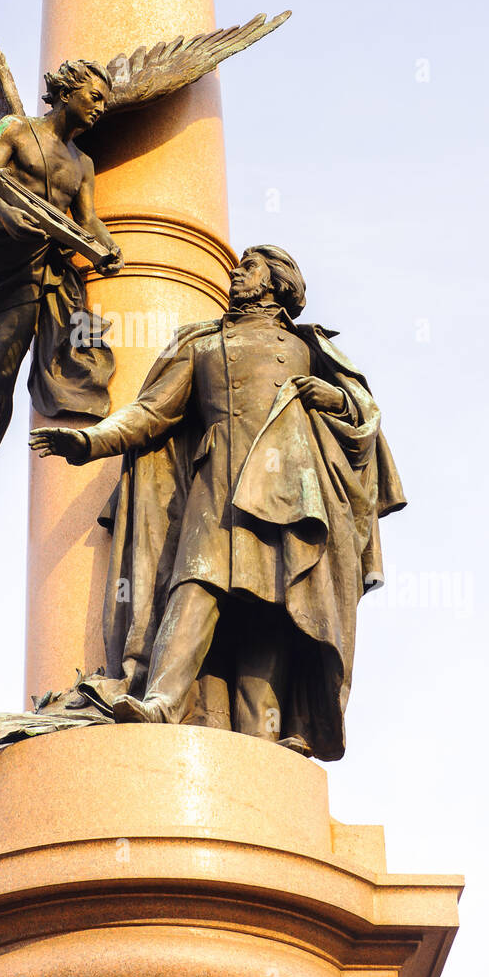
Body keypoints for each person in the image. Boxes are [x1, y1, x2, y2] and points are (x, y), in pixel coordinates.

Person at [29, 245, 406, 761]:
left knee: (276, 607)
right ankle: (162, 700)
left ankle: (265, 738)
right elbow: (152, 412)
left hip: (294, 488)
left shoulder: (309, 345)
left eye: (249, 268)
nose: (235, 273)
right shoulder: (202, 342)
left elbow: (365, 414)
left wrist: (333, 397)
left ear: (277, 283)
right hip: (218, 484)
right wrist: (91, 441)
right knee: (196, 581)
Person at [0, 59, 123, 528]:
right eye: (94, 97)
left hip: (32, 269)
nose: (101, 108)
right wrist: (6, 214)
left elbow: (87, 220)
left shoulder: (84, 164)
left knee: (1, 376)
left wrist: (108, 245)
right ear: (67, 92)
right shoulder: (15, 129)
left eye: (105, 102)